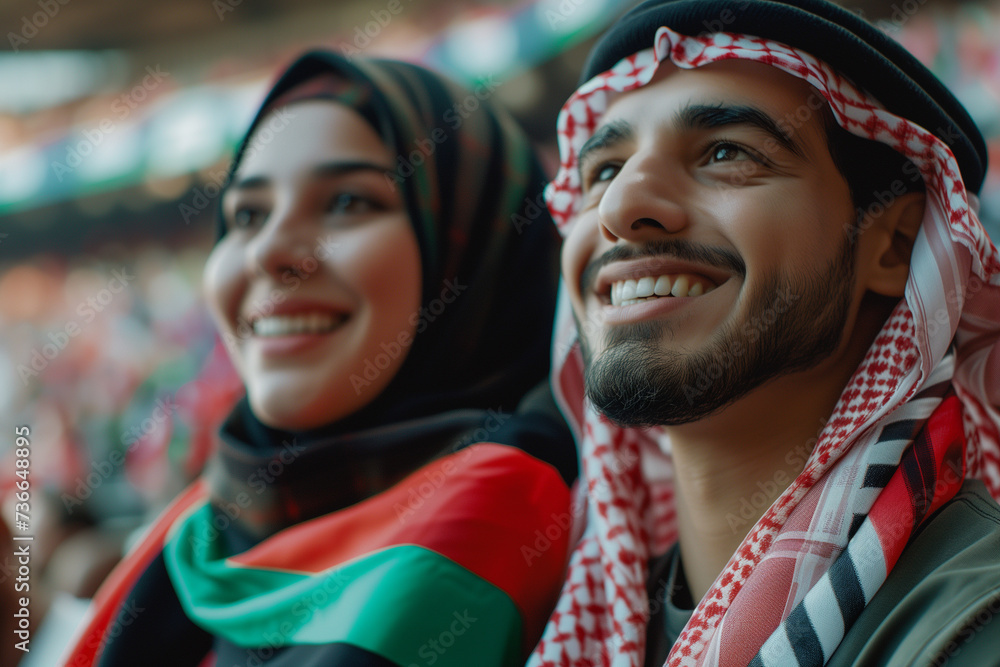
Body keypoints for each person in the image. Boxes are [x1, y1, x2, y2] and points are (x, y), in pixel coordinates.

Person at [64, 51, 577, 667]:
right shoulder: (197, 531)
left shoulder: (547, 524)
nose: (269, 252)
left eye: (347, 203)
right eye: (247, 214)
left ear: (479, 251)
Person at [527, 1, 1000, 666]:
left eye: (726, 153)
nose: (622, 207)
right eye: (602, 171)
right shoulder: (554, 610)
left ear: (892, 247)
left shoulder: (967, 625)